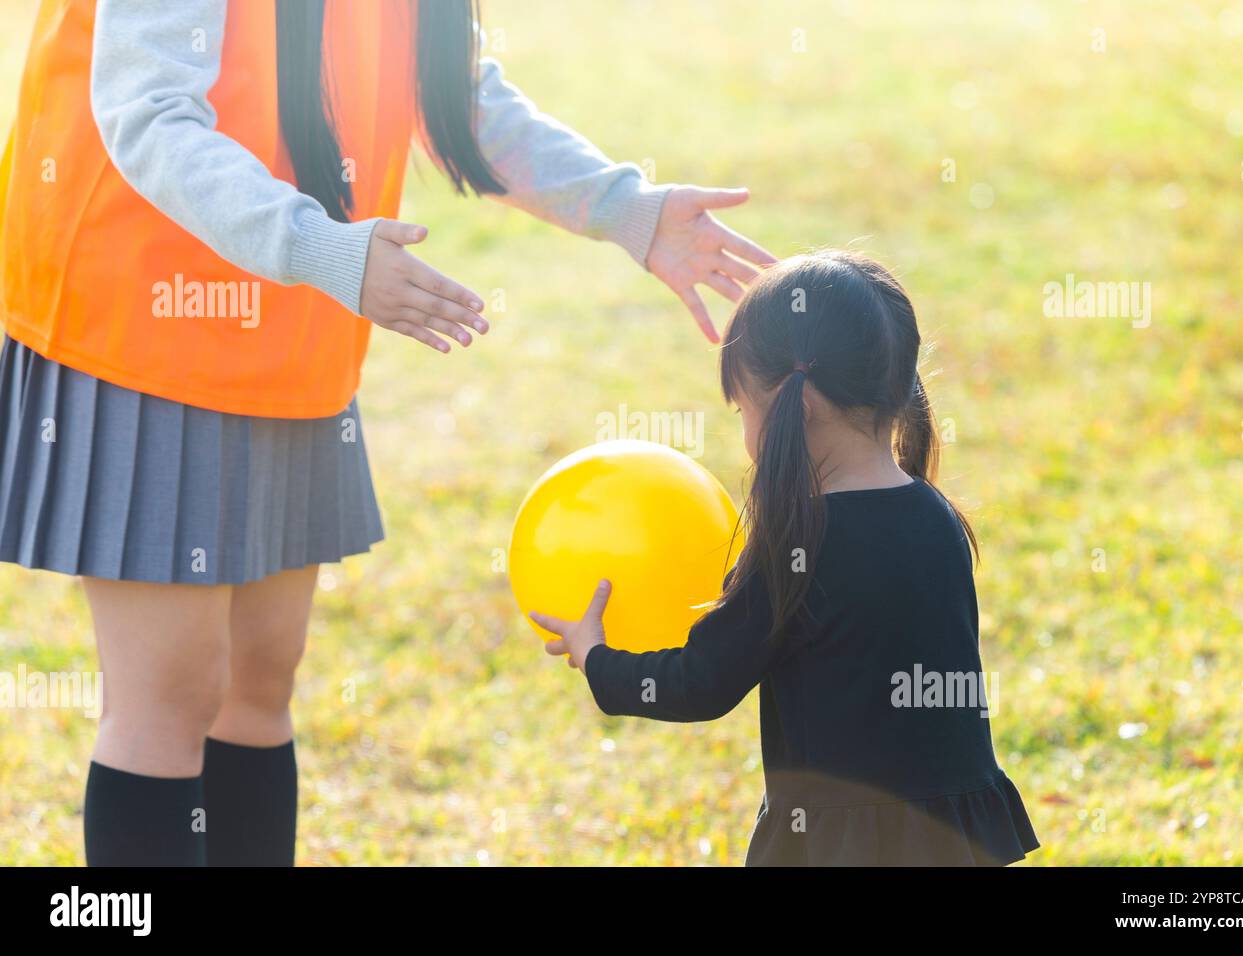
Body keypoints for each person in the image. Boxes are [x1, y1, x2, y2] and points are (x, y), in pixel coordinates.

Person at [0, 0, 774, 866]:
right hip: (142, 320)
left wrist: (627, 209)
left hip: (294, 329)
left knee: (260, 685)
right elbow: (146, 113)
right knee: (170, 701)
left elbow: (447, 91)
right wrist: (326, 249)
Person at [532, 251, 1040, 865]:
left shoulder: (795, 547)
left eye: (743, 409)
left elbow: (702, 683)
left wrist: (598, 659)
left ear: (795, 410)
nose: (744, 429)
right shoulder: (938, 519)